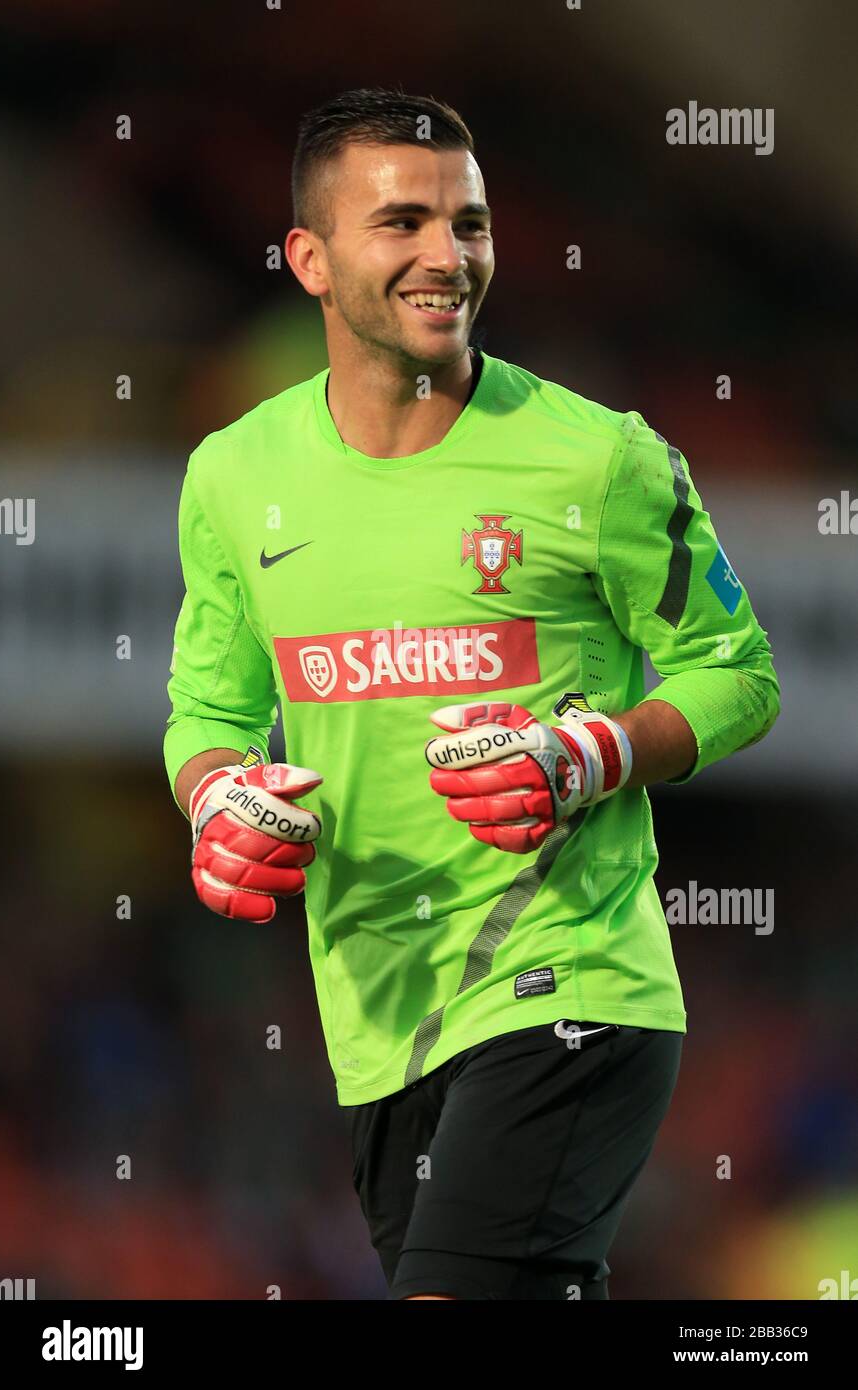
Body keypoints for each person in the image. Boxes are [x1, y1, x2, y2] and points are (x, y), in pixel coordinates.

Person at [164, 87, 780, 1300]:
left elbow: (737, 672)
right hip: (380, 1012)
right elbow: (209, 713)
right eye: (402, 223)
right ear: (309, 257)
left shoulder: (599, 458)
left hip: (572, 980)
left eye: (470, 224)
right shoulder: (233, 477)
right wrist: (215, 800)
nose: (447, 257)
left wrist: (592, 753)